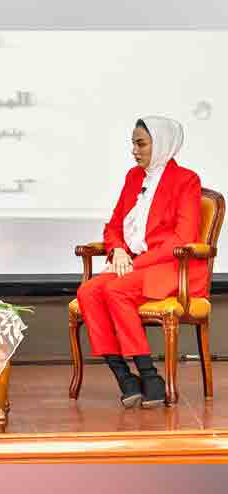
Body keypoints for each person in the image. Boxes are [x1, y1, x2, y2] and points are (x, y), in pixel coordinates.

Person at [76, 116, 203, 408]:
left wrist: (138, 262)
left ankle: (150, 377)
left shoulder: (186, 180)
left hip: (171, 266)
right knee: (88, 291)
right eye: (133, 143)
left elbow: (182, 238)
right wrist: (118, 251)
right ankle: (125, 378)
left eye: (141, 144)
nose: (134, 150)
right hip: (134, 264)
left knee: (115, 290)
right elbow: (114, 226)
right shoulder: (134, 177)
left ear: (161, 144)